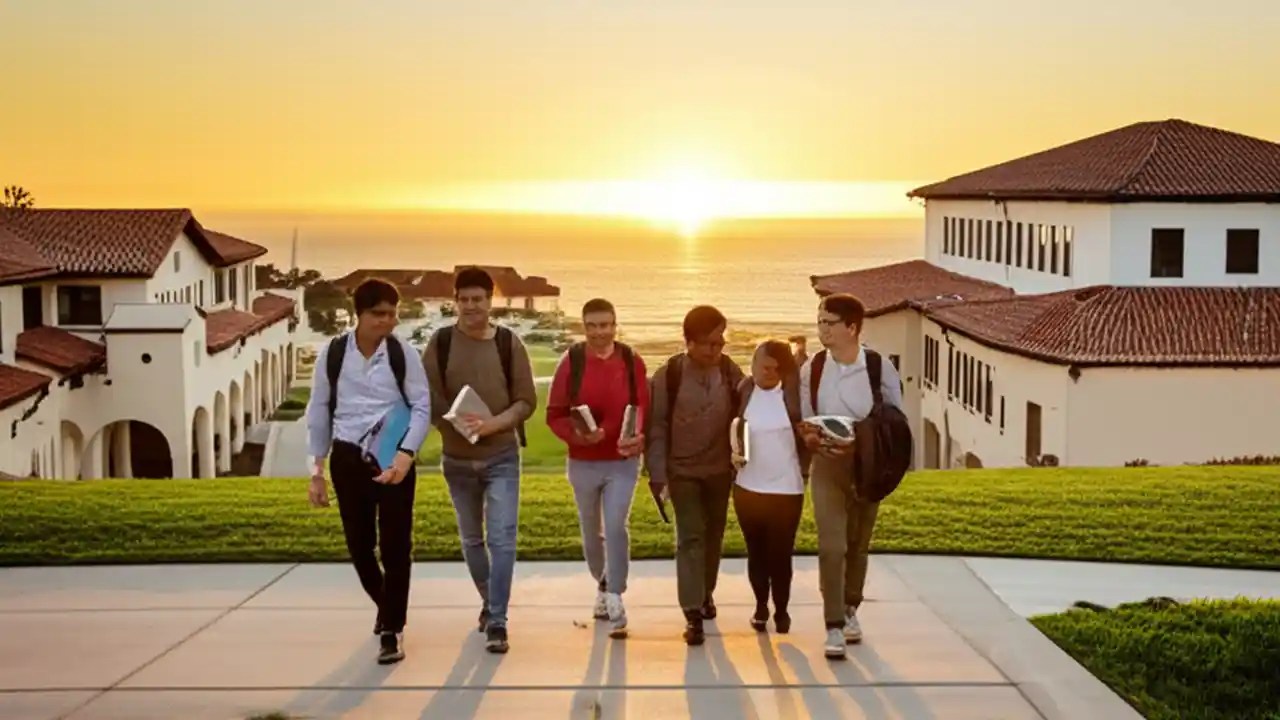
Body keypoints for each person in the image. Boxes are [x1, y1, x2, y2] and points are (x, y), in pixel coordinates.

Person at [304, 278, 432, 665]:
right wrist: (317, 469)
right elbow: (319, 409)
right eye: (379, 313)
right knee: (359, 547)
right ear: (357, 313)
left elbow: (422, 405)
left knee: (396, 548)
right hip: (347, 458)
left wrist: (406, 456)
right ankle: (388, 607)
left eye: (393, 313)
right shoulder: (333, 353)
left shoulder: (402, 353)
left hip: (394, 455)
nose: (388, 320)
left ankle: (391, 628)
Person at [422, 266, 538, 654]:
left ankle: (498, 620)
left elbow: (526, 401)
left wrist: (492, 425)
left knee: (502, 540)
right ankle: (490, 603)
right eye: (464, 299)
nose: (471, 306)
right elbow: (430, 400)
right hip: (457, 460)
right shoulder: (439, 344)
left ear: (491, 301)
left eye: (479, 299)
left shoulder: (509, 344)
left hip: (501, 456)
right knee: (472, 539)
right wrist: (454, 424)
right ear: (454, 301)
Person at [799, 292, 904, 660]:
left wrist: (862, 443)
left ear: (852, 327)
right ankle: (833, 626)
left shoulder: (878, 368)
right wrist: (811, 437)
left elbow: (895, 420)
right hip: (827, 464)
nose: (821, 330)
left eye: (829, 323)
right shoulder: (811, 369)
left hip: (868, 464)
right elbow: (806, 419)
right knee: (832, 545)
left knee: (858, 543)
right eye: (819, 322)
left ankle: (850, 608)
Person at [545, 298, 650, 638]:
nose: (600, 332)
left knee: (617, 525)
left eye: (606, 325)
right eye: (592, 325)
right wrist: (578, 436)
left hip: (622, 460)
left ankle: (616, 594)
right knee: (592, 532)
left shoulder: (632, 361)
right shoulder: (571, 361)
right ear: (584, 327)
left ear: (615, 324)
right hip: (584, 462)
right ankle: (602, 583)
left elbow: (643, 406)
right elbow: (555, 414)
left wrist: (638, 438)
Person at [644, 305, 746, 646]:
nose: (715, 350)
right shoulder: (669, 375)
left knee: (714, 537)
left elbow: (747, 415)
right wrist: (658, 475)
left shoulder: (730, 371)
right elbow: (656, 427)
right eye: (708, 344)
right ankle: (692, 612)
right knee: (690, 538)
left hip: (720, 472)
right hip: (682, 471)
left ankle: (705, 594)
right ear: (688, 342)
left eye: (720, 342)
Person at [731, 340, 810, 635]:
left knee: (781, 553)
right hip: (748, 486)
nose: (770, 373)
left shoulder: (792, 397)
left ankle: (783, 611)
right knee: (756, 552)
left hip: (787, 489)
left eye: (777, 369)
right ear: (752, 364)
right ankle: (761, 607)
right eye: (764, 367)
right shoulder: (742, 392)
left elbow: (807, 436)